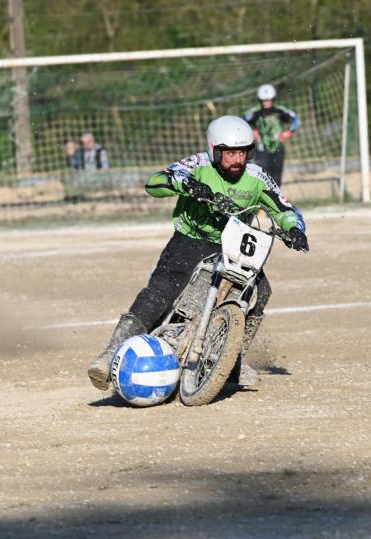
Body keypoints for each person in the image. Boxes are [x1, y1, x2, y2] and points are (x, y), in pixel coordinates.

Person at [86, 115, 309, 391]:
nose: (237, 160)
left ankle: (233, 359)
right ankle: (110, 353)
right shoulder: (198, 165)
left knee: (260, 292)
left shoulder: (257, 177)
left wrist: (295, 229)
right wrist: (187, 185)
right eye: (230, 153)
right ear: (214, 150)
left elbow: (285, 209)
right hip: (190, 240)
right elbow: (155, 183)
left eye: (242, 152)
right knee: (161, 290)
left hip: (232, 244)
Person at [244, 84, 300, 186]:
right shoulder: (254, 112)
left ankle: (276, 195)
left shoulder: (280, 110)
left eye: (269, 100)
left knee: (277, 176)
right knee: (263, 176)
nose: (266, 102)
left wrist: (289, 132)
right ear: (260, 100)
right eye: (264, 100)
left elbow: (296, 119)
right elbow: (241, 121)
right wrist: (251, 131)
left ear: (273, 99)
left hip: (278, 148)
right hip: (262, 149)